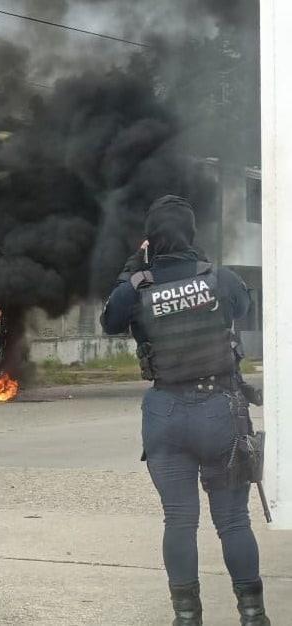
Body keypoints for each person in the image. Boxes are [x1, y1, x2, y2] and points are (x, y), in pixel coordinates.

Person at [101, 195, 270, 626]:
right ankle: (253, 617)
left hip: (164, 415)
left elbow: (109, 321)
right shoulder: (220, 278)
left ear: (150, 239)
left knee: (179, 520)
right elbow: (244, 309)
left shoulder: (136, 286)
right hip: (219, 410)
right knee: (232, 521)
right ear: (192, 234)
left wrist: (132, 267)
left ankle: (187, 618)